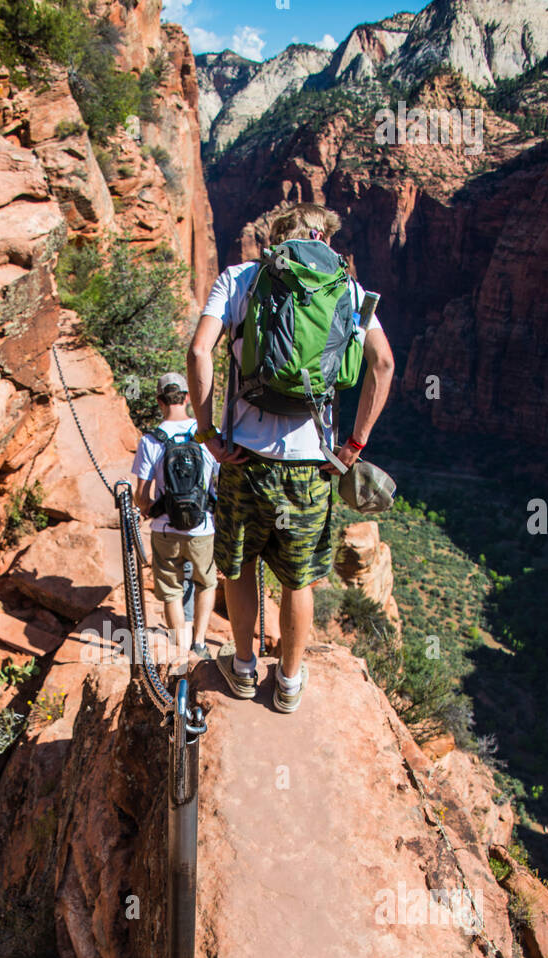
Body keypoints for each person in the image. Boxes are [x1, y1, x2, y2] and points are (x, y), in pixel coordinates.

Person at [186, 201, 395, 711]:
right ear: (323, 239)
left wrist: (208, 431)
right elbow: (383, 364)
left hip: (243, 459)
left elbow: (197, 353)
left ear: (276, 238)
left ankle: (240, 669)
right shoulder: (346, 289)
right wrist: (354, 446)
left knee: (239, 567)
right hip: (313, 466)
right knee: (299, 578)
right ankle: (289, 682)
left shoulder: (239, 278)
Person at [132, 372, 219, 668]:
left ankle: (180, 650)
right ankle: (200, 643)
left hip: (164, 528)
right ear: (186, 398)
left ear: (159, 401)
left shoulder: (150, 440)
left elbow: (141, 495)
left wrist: (147, 508)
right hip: (202, 527)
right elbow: (222, 481)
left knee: (171, 589)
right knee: (205, 583)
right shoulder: (208, 434)